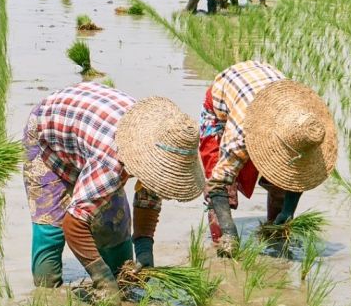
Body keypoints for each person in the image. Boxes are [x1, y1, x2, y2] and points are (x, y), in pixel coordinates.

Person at [24, 86, 205, 300]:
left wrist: (144, 248)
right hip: (48, 137)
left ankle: (118, 283)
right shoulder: (110, 163)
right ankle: (47, 300)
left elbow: (150, 194)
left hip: (88, 132)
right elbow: (74, 222)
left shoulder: (160, 144)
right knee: (51, 226)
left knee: (114, 229)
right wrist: (102, 280)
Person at [139, 61, 336, 257]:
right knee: (220, 179)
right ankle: (221, 243)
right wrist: (230, 232)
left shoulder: (306, 128)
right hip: (224, 101)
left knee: (282, 179)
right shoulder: (241, 133)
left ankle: (275, 234)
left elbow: (298, 174)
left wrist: (288, 211)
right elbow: (217, 184)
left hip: (268, 90)